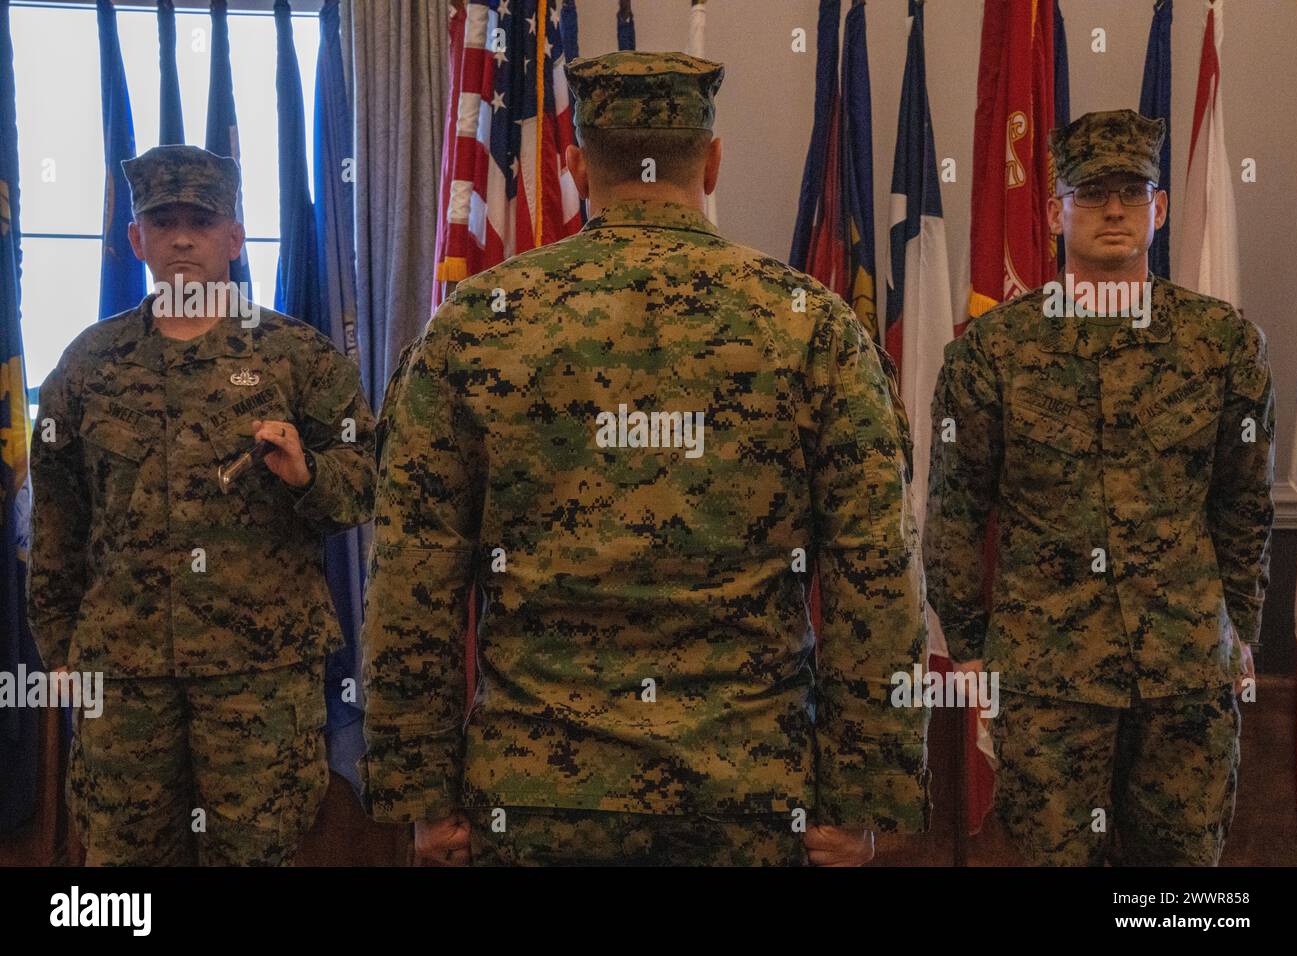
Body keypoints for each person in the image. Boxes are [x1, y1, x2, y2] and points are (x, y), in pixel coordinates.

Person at [361, 51, 928, 867]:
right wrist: (865, 794)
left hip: (534, 799)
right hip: (750, 797)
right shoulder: (813, 327)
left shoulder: (477, 325)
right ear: (714, 159)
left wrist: (419, 793)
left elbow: (414, 576)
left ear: (576, 162)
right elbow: (876, 579)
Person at [924, 109, 1274, 866]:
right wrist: (972, 649)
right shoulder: (994, 351)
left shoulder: (1221, 344)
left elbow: (1244, 505)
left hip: (1184, 676)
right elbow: (955, 509)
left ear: (1160, 206)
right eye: (1090, 193)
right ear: (1056, 211)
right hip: (1049, 680)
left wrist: (1238, 628)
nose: (1113, 210)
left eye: (1131, 190)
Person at [27, 144, 377, 865]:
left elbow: (368, 481)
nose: (182, 237)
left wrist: (308, 475)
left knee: (256, 854)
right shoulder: (87, 366)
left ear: (236, 237)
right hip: (123, 676)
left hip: (259, 675)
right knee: (124, 865)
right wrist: (61, 652)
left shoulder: (296, 357)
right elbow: (58, 521)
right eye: (163, 221)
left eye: (203, 219)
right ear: (137, 240)